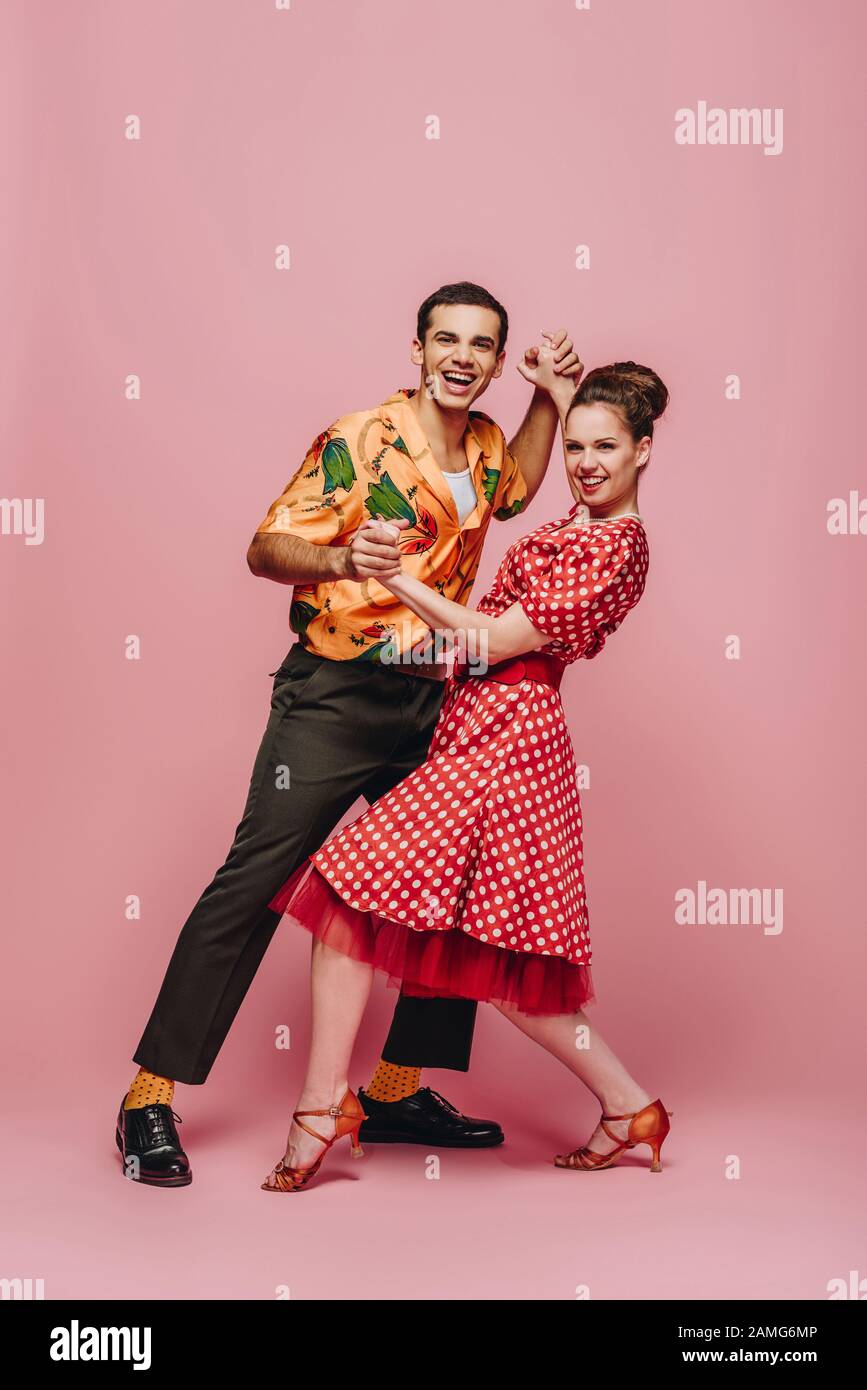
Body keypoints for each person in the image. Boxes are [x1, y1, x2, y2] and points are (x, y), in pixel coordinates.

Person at [116, 280, 584, 1186]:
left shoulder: (485, 442)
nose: (460, 356)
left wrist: (542, 399)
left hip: (436, 697)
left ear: (493, 359)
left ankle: (396, 1090)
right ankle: (147, 1098)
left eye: (479, 345)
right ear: (416, 350)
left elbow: (516, 489)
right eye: (444, 340)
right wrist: (340, 557)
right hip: (335, 696)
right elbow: (264, 547)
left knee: (448, 888)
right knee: (253, 881)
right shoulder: (357, 439)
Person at [260, 360, 674, 1194]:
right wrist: (556, 399)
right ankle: (628, 1107)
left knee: (351, 892)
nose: (586, 461)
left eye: (606, 447)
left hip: (508, 750)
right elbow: (471, 649)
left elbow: (490, 642)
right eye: (578, 447)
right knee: (503, 959)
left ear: (643, 452)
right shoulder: (583, 525)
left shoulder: (614, 548)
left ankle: (319, 1105)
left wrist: (392, 576)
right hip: (480, 731)